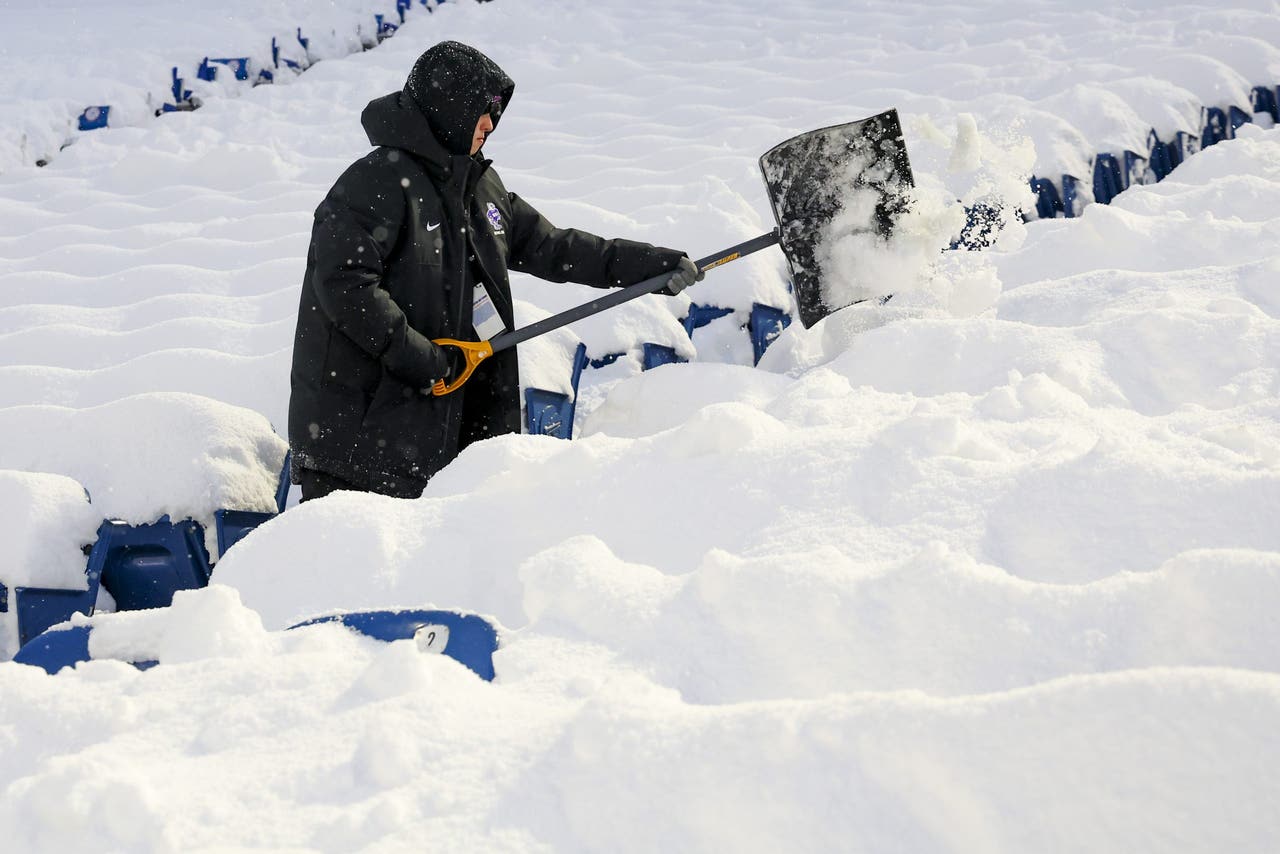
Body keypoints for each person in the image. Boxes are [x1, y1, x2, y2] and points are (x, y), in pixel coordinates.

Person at [288, 40, 702, 501]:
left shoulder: (479, 187)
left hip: (446, 442)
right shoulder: (373, 184)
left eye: (495, 112)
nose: (490, 124)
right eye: (481, 110)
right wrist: (426, 361)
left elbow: (554, 246)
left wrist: (651, 266)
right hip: (361, 452)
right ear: (450, 108)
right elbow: (346, 287)